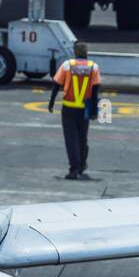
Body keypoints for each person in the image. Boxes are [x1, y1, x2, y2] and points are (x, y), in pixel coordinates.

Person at [47, 41, 101, 180]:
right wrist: (94, 110)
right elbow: (95, 91)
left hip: (69, 107)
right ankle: (82, 163)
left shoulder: (67, 65)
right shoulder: (93, 67)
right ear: (86, 52)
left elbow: (56, 84)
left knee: (71, 139)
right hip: (85, 108)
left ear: (75, 52)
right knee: (82, 138)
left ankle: (74, 168)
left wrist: (52, 102)